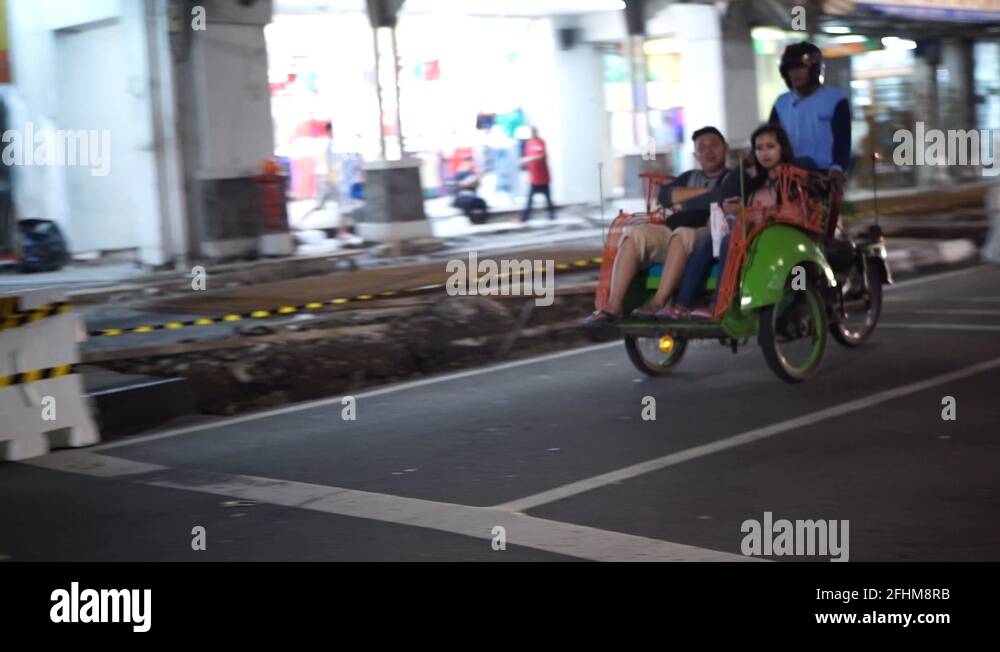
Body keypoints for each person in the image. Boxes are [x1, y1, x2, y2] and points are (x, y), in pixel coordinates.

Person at [583, 126, 742, 326]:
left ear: (725, 148)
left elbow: (721, 196)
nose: (709, 151)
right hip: (671, 231)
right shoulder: (689, 176)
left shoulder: (734, 177)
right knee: (636, 233)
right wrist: (705, 193)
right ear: (696, 154)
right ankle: (614, 304)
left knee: (681, 235)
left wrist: (685, 198)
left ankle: (659, 302)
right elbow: (665, 196)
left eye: (714, 146)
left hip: (708, 233)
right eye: (702, 148)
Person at [664, 124, 797, 321]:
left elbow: (791, 211)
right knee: (706, 242)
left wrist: (749, 212)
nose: (764, 153)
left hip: (776, 234)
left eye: (770, 146)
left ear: (782, 148)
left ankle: (719, 304)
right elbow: (731, 198)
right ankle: (682, 304)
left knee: (729, 241)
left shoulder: (793, 177)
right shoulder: (753, 179)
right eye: (759, 148)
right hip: (751, 232)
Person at [769, 41, 851, 178]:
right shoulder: (781, 103)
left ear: (814, 69)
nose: (795, 73)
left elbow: (842, 139)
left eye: (800, 67)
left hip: (826, 174)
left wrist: (838, 168)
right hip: (789, 175)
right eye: (791, 69)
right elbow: (770, 138)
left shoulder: (835, 99)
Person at [519, 127, 555, 221]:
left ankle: (551, 215)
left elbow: (542, 156)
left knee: (548, 198)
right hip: (534, 177)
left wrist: (529, 159)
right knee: (530, 199)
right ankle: (525, 216)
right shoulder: (529, 144)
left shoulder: (541, 142)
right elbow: (527, 157)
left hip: (543, 176)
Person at [452, 156, 489, 224]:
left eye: (472, 163)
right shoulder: (459, 174)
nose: (472, 165)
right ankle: (473, 221)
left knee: (483, 203)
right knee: (468, 204)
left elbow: (478, 185)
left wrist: (478, 179)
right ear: (465, 163)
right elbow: (461, 185)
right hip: (462, 197)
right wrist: (471, 181)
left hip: (472, 196)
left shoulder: (472, 173)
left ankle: (481, 221)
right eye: (470, 163)